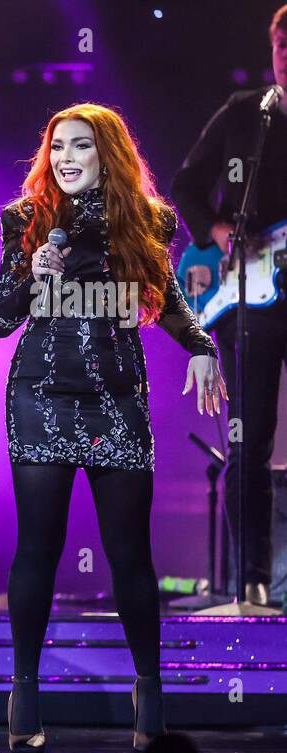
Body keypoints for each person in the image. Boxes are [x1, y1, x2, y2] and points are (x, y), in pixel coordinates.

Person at [0, 103, 226, 753]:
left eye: (80, 146)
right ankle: (25, 696)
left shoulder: (146, 221)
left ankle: (150, 697)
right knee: (38, 549)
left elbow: (167, 297)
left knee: (130, 556)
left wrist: (201, 345)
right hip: (41, 396)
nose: (65, 156)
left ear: (106, 154)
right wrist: (36, 277)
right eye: (57, 145)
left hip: (117, 401)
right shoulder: (27, 221)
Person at [171, 4, 287, 605]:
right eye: (282, 44)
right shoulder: (249, 115)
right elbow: (186, 184)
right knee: (249, 442)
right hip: (252, 301)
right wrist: (217, 232)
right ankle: (254, 580)